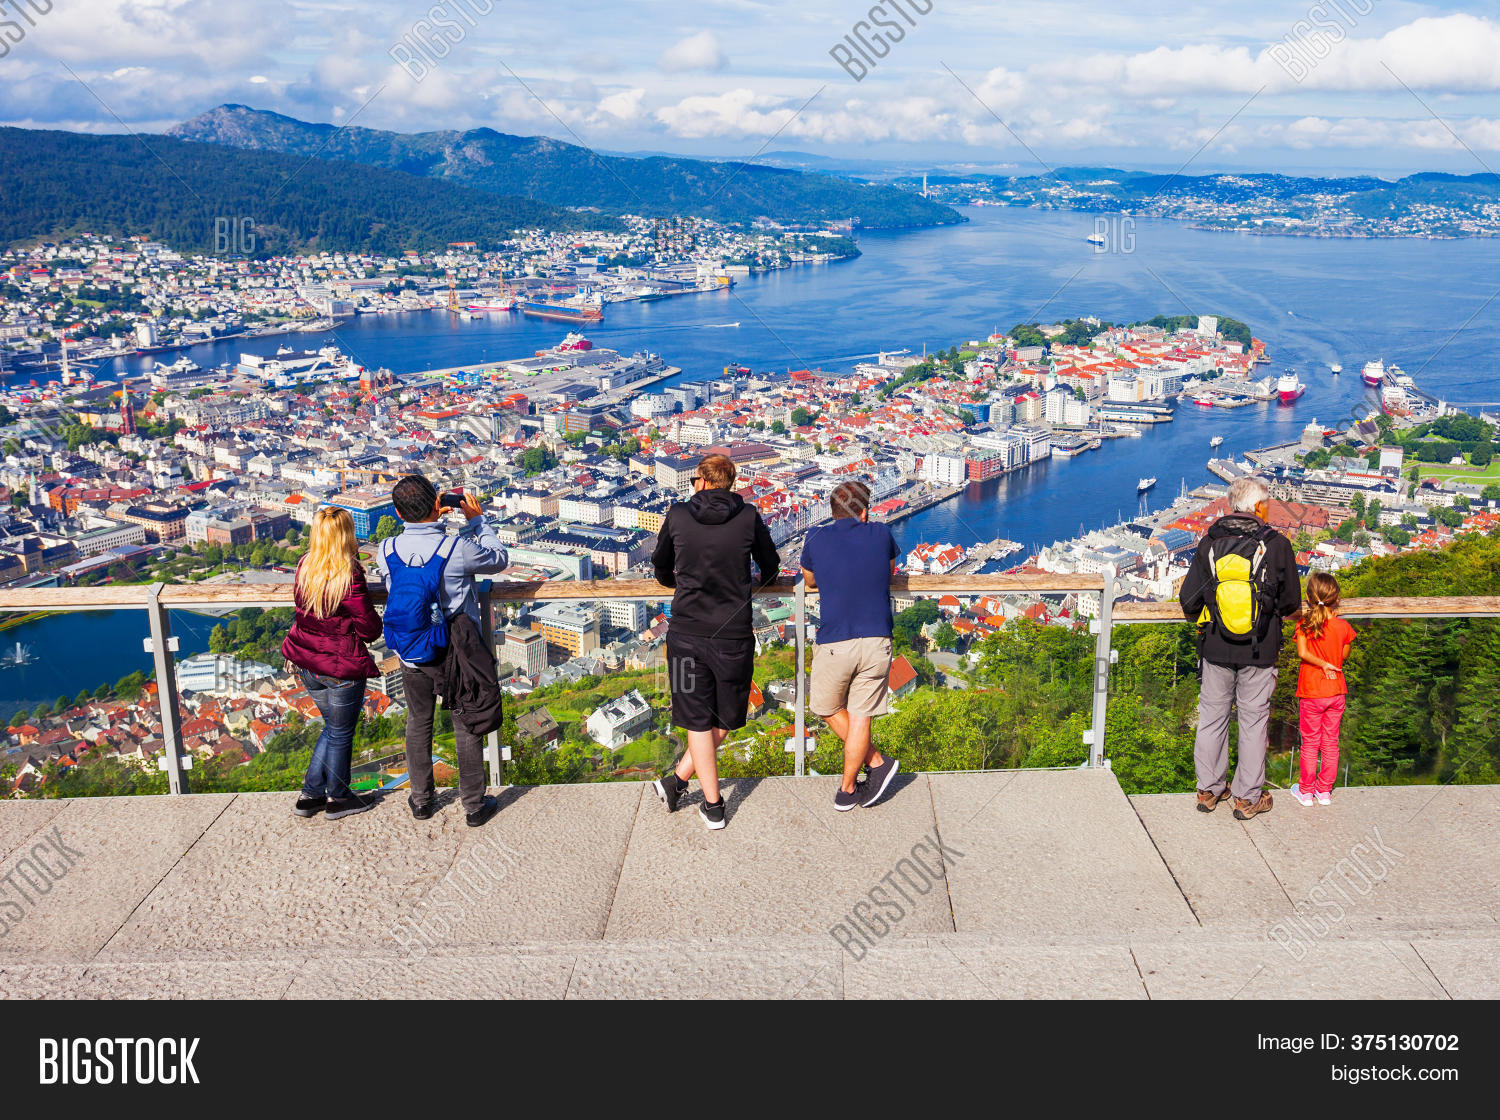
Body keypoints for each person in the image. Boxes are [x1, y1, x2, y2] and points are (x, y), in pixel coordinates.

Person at [651, 453, 780, 830]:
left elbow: (661, 567)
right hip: (733, 635)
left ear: (701, 482)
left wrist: (683, 583)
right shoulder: (748, 517)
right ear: (731, 483)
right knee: (725, 717)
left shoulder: (677, 515)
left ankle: (679, 782)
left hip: (687, 633)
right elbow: (770, 569)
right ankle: (713, 802)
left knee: (697, 718)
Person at [377, 475, 508, 828]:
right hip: (455, 652)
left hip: (411, 652)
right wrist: (476, 521)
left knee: (418, 723)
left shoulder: (385, 549)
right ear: (438, 504)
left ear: (396, 511)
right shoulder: (455, 548)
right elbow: (498, 559)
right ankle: (473, 805)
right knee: (465, 722)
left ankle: (421, 800)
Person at [1180, 475, 1301, 820]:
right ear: (1257, 507)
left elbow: (1188, 601)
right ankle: (1247, 798)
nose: (1269, 508)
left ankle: (1208, 790)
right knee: (1252, 723)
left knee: (1212, 719)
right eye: (1267, 503)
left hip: (1216, 647)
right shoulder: (1276, 545)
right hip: (1259, 650)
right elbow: (1291, 602)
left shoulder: (1209, 544)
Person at [800, 480, 901, 811]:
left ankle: (869, 770)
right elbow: (889, 573)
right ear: (865, 511)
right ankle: (849, 787)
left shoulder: (816, 537)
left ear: (831, 511)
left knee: (825, 707)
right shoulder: (881, 534)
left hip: (835, 640)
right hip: (876, 639)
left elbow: (810, 579)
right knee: (861, 715)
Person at [281, 507, 384, 820]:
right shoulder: (347, 573)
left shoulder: (305, 565)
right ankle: (337, 797)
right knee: (340, 733)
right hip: (340, 666)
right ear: (346, 535)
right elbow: (368, 628)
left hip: (306, 661)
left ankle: (311, 795)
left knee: (332, 729)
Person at [1291, 572, 1355, 807]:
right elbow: (1343, 655)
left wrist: (1320, 663)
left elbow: (1302, 653)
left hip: (1311, 691)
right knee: (1330, 742)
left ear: (1308, 598)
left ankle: (1306, 791)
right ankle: (1324, 790)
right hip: (1336, 691)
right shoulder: (1343, 626)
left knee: (1310, 743)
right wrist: (1330, 662)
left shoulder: (1305, 624)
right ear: (1336, 599)